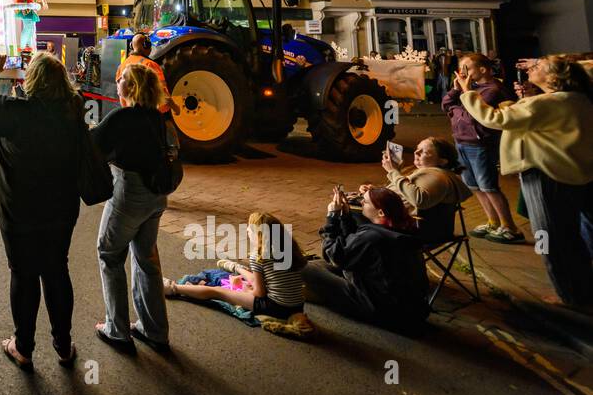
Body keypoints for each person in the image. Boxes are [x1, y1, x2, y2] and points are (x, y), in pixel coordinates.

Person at [0, 51, 86, 369]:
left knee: (23, 274)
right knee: (56, 272)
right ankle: (64, 346)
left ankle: (23, 347)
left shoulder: (15, 112)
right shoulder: (72, 111)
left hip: (18, 211)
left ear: (31, 81)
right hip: (61, 209)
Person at [460, 54, 593, 310]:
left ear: (554, 78)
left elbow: (496, 119)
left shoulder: (548, 103)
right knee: (570, 235)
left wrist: (468, 93)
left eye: (538, 66)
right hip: (568, 174)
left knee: (546, 236)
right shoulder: (578, 100)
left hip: (542, 176)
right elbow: (527, 115)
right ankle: (581, 288)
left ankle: (569, 295)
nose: (531, 68)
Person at [90, 62, 174, 353]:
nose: (118, 81)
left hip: (129, 195)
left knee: (109, 254)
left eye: (123, 78)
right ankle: (155, 330)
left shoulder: (123, 117)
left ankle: (117, 330)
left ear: (133, 87)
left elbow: (92, 144)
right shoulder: (156, 117)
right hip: (157, 198)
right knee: (146, 259)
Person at [301, 185, 430, 332]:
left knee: (305, 268)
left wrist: (331, 217)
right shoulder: (402, 230)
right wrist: (345, 216)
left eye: (365, 201)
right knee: (318, 265)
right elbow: (353, 246)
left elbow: (333, 254)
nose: (361, 202)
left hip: (383, 310)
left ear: (380, 212)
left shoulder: (373, 236)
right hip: (413, 311)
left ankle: (291, 294)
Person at [166, 212, 307, 321]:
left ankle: (172, 288)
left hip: (275, 308)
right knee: (247, 280)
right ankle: (236, 267)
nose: (247, 232)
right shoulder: (288, 250)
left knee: (217, 291)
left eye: (250, 230)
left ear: (259, 235)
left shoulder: (258, 255)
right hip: (297, 307)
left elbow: (259, 293)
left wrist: (246, 290)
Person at [441, 53, 520, 242]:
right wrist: (455, 91)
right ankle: (493, 221)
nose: (462, 73)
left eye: (467, 68)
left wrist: (462, 98)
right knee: (474, 186)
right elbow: (446, 106)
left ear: (483, 69)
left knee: (489, 186)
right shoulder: (472, 89)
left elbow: (473, 115)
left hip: (480, 145)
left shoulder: (493, 90)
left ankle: (509, 227)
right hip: (462, 141)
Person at [378, 137, 471, 244]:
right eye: (418, 148)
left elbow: (419, 200)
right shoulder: (424, 171)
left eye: (425, 152)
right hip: (396, 221)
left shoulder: (438, 176)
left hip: (410, 231)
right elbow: (403, 189)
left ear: (442, 161)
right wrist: (375, 190)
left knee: (359, 226)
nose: (416, 152)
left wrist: (393, 172)